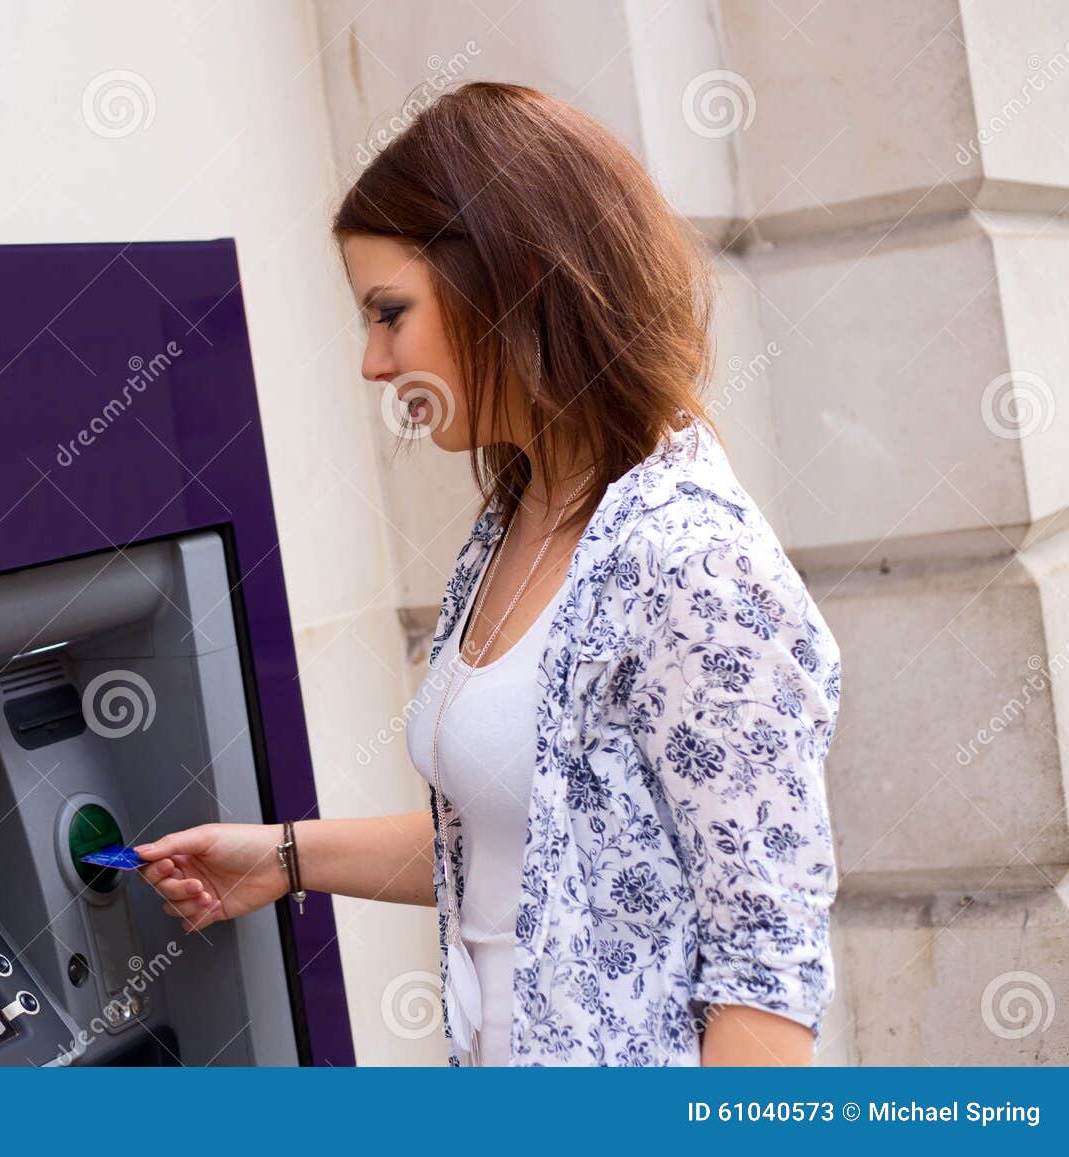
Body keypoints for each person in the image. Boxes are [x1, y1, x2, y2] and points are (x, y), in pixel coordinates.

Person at [133, 82, 842, 1068]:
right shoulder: (515, 521)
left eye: (390, 314)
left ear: (510, 286)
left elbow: (764, 973)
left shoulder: (690, 560)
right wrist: (284, 856)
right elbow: (530, 844)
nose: (372, 364)